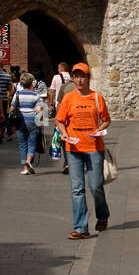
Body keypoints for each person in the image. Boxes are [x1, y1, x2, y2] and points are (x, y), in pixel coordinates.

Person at [54, 63, 111, 238]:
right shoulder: (68, 98)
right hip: (73, 148)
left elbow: (106, 120)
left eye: (83, 76)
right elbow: (60, 120)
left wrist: (99, 130)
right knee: (77, 189)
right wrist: (63, 134)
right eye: (76, 76)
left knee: (95, 187)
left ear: (88, 78)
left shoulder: (96, 97)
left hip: (94, 148)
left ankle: (102, 216)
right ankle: (81, 228)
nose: (79, 80)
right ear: (72, 78)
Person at [10, 71, 42, 174]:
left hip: (20, 120)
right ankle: (29, 161)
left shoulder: (18, 94)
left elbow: (12, 108)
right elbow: (40, 111)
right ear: (31, 82)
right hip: (32, 120)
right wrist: (41, 125)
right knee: (32, 143)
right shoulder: (36, 95)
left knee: (23, 144)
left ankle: (25, 167)